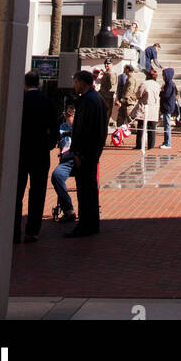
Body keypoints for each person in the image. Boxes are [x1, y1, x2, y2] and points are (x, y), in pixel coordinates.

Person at [14, 71, 57, 244]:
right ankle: (32, 231)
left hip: (21, 152)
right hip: (40, 153)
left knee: (16, 193)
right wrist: (48, 145)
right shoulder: (47, 101)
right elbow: (54, 129)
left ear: (25, 83)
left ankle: (14, 231)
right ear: (38, 83)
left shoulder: (19, 101)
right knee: (37, 192)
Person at [66, 69, 109, 238]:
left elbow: (84, 129)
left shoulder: (88, 101)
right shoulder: (97, 99)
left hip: (85, 153)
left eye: (76, 82)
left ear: (82, 83)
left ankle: (85, 224)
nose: (74, 85)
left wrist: (79, 152)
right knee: (90, 188)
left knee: (84, 190)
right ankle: (91, 223)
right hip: (92, 152)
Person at [51, 103, 77, 222]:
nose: (68, 117)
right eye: (67, 115)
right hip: (66, 160)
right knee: (56, 176)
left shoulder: (80, 127)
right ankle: (68, 209)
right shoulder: (62, 127)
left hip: (79, 159)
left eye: (70, 115)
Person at [139, 68, 161, 149]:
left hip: (144, 107)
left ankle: (139, 145)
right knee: (152, 128)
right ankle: (151, 146)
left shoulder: (144, 83)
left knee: (141, 126)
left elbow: (138, 94)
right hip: (154, 108)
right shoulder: (157, 85)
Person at [159, 67, 177, 149]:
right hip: (167, 106)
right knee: (166, 125)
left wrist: (161, 92)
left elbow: (166, 95)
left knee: (167, 125)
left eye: (164, 75)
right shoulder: (169, 83)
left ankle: (168, 143)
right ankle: (166, 141)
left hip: (167, 107)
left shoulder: (169, 84)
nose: (163, 77)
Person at [116, 64, 138, 130]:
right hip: (125, 102)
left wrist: (123, 99)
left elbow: (129, 91)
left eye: (125, 69)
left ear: (128, 70)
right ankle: (119, 134)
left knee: (130, 119)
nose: (124, 71)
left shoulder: (131, 79)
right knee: (120, 118)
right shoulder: (128, 78)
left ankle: (139, 133)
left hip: (129, 102)